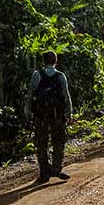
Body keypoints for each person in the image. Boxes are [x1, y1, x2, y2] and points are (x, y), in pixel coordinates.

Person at [26, 50, 73, 183]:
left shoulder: (37, 75)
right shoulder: (61, 76)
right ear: (55, 61)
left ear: (43, 61)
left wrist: (28, 114)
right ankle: (56, 169)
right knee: (58, 143)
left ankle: (44, 172)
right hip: (57, 115)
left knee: (41, 144)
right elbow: (66, 96)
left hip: (41, 116)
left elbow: (30, 95)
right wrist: (69, 113)